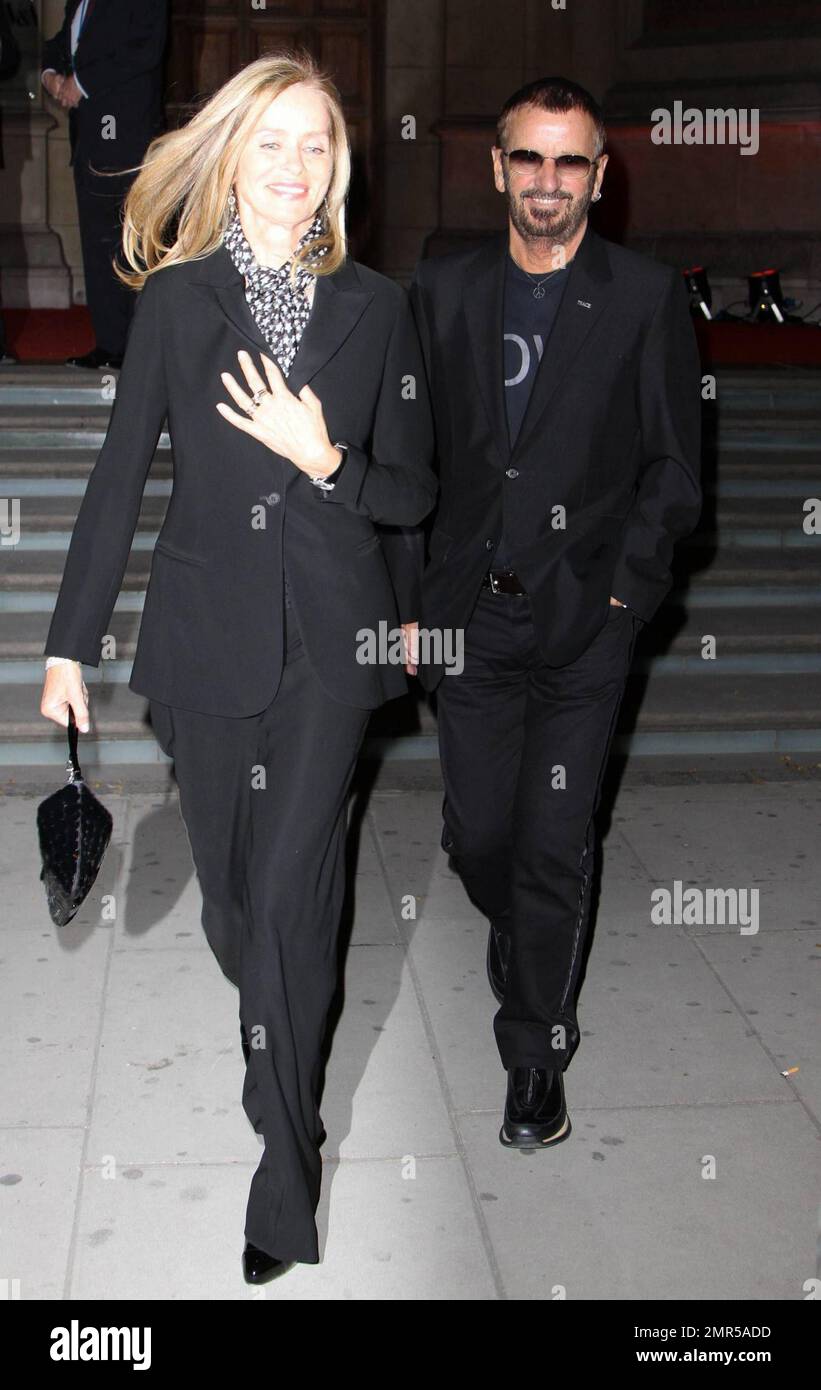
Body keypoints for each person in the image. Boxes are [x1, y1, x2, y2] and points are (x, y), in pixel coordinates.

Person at [39, 50, 436, 1282]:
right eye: (270, 142)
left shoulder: (380, 308)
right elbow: (118, 478)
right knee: (232, 901)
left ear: (339, 171)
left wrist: (328, 465)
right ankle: (276, 1024)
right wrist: (66, 641)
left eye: (316, 145)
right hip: (206, 636)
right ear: (231, 157)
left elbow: (415, 490)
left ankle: (286, 1167)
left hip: (330, 643)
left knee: (288, 893)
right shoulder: (178, 301)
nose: (294, 166)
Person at [408, 77, 702, 1150]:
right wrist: (409, 606)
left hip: (585, 626)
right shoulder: (441, 290)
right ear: (497, 168)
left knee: (551, 840)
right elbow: (414, 462)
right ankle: (521, 937)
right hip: (470, 622)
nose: (546, 181)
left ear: (598, 176)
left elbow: (674, 472)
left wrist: (626, 592)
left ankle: (534, 1049)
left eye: (568, 162)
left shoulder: (641, 296)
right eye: (527, 159)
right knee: (479, 834)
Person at [41, 0, 168, 367]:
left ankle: (139, 347)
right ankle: (110, 343)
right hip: (88, 140)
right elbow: (63, 43)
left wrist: (81, 83)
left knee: (131, 245)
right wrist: (51, 73)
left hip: (125, 134)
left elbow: (144, 49)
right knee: (97, 245)